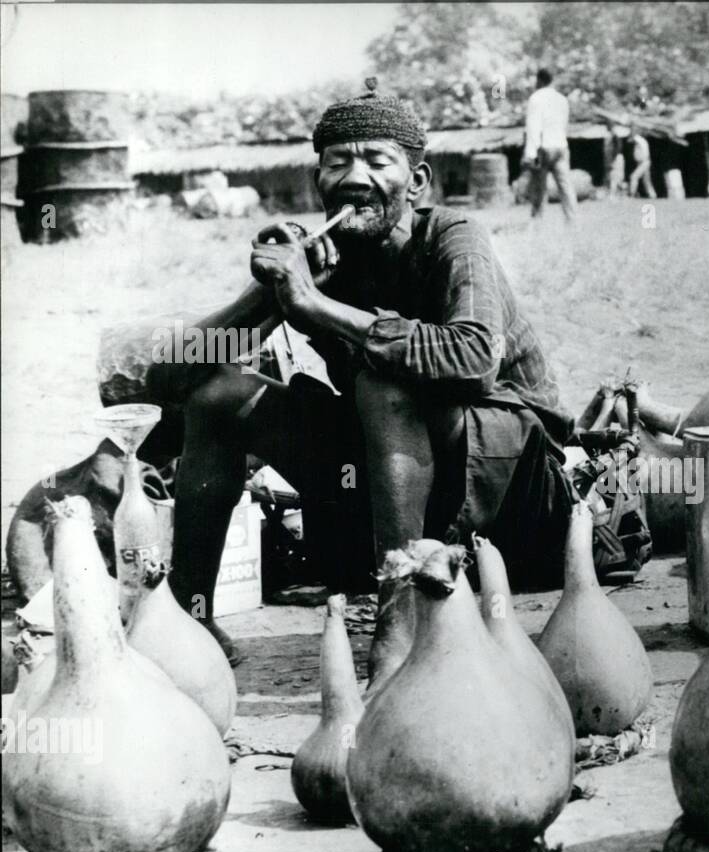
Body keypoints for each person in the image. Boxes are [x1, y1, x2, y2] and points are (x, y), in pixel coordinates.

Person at [153, 82, 574, 662]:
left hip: (511, 495)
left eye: (378, 161)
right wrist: (272, 295)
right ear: (317, 183)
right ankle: (187, 619)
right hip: (385, 488)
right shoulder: (324, 261)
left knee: (384, 381)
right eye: (337, 164)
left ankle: (398, 628)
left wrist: (319, 309)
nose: (355, 177)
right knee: (221, 395)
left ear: (417, 182)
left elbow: (475, 359)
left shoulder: (454, 237)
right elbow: (170, 382)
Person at [523, 68, 577, 221]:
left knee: (539, 186)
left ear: (539, 80)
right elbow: (564, 124)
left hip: (544, 147)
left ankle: (537, 220)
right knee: (565, 186)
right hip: (561, 146)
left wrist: (530, 153)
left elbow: (533, 127)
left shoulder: (536, 98)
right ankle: (572, 220)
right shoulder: (561, 99)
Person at [627, 131, 655, 199]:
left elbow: (630, 140)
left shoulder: (641, 141)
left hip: (643, 162)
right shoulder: (641, 141)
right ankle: (652, 195)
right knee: (646, 181)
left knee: (634, 177)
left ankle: (632, 194)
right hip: (644, 162)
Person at [603, 119, 626, 196]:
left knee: (615, 176)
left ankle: (614, 193)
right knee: (611, 176)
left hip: (615, 158)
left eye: (608, 125)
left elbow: (618, 147)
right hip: (610, 158)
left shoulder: (615, 135)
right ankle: (614, 192)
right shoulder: (608, 135)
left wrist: (614, 157)